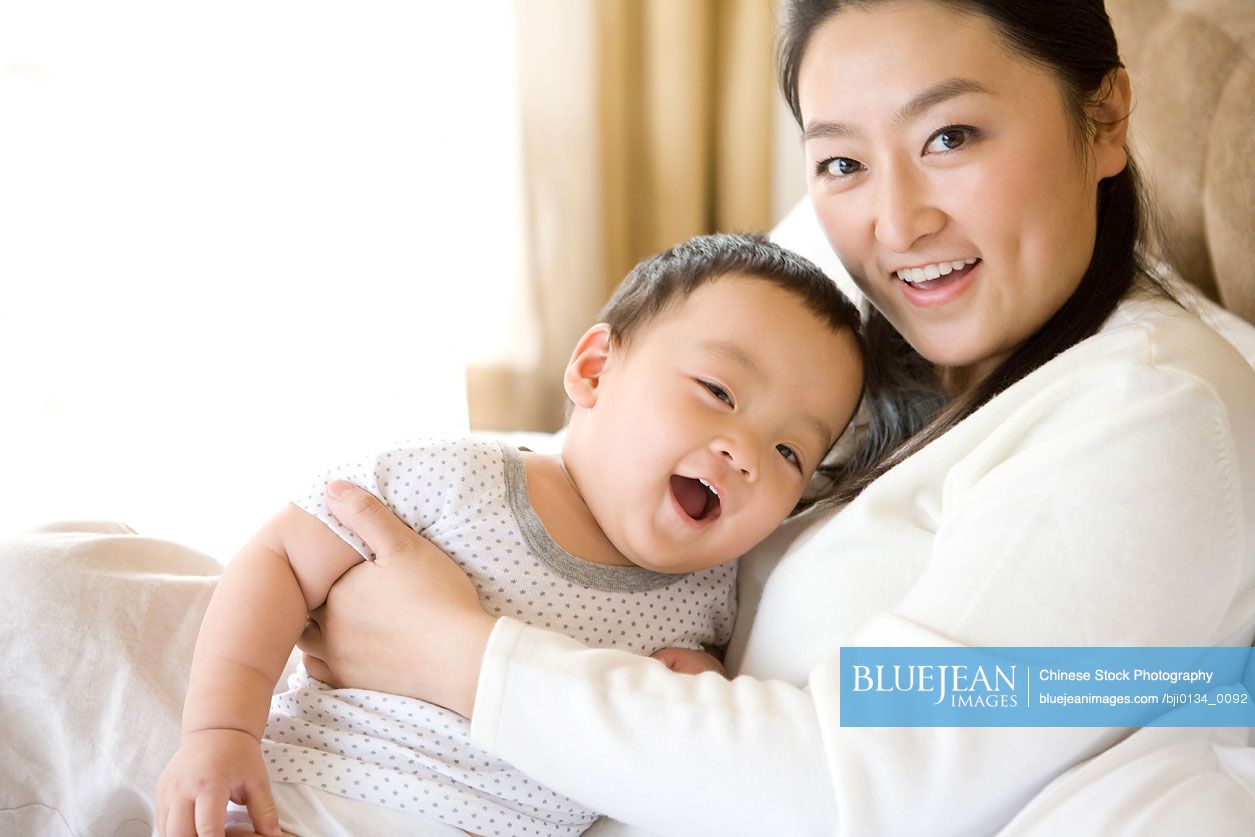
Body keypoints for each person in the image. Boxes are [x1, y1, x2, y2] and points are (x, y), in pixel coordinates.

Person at [1, 1, 1253, 835]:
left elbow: (862, 771)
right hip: (417, 711)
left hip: (486, 747)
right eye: (839, 161)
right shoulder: (921, 325)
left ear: (1104, 118)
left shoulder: (1150, 415)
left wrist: (453, 653)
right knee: (49, 588)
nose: (894, 221)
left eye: (952, 135)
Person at [153, 233, 866, 837]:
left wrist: (697, 689)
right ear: (595, 369)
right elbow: (277, 558)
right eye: (717, 391)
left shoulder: (712, 601)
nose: (744, 451)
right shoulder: (456, 479)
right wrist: (222, 730)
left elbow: (674, 737)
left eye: (788, 453)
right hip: (311, 803)